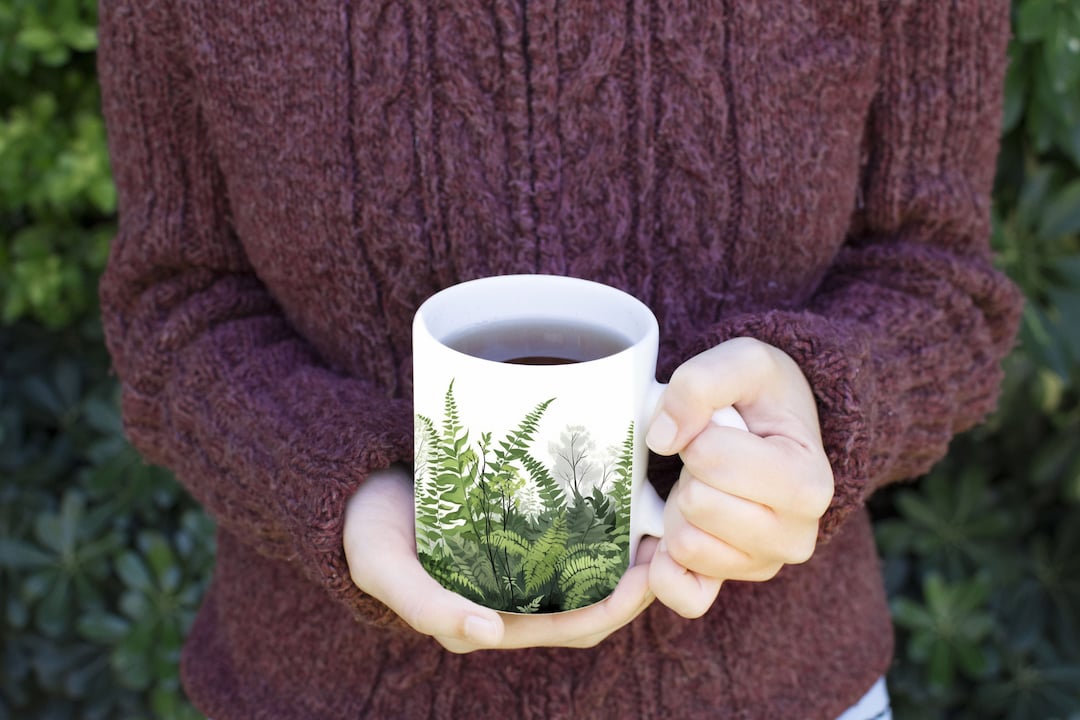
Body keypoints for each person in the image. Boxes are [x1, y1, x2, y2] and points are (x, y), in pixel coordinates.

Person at [96, 1, 1022, 718]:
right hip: (315, 688)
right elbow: (177, 299)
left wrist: (824, 405)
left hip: (779, 690)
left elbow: (936, 276)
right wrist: (333, 488)